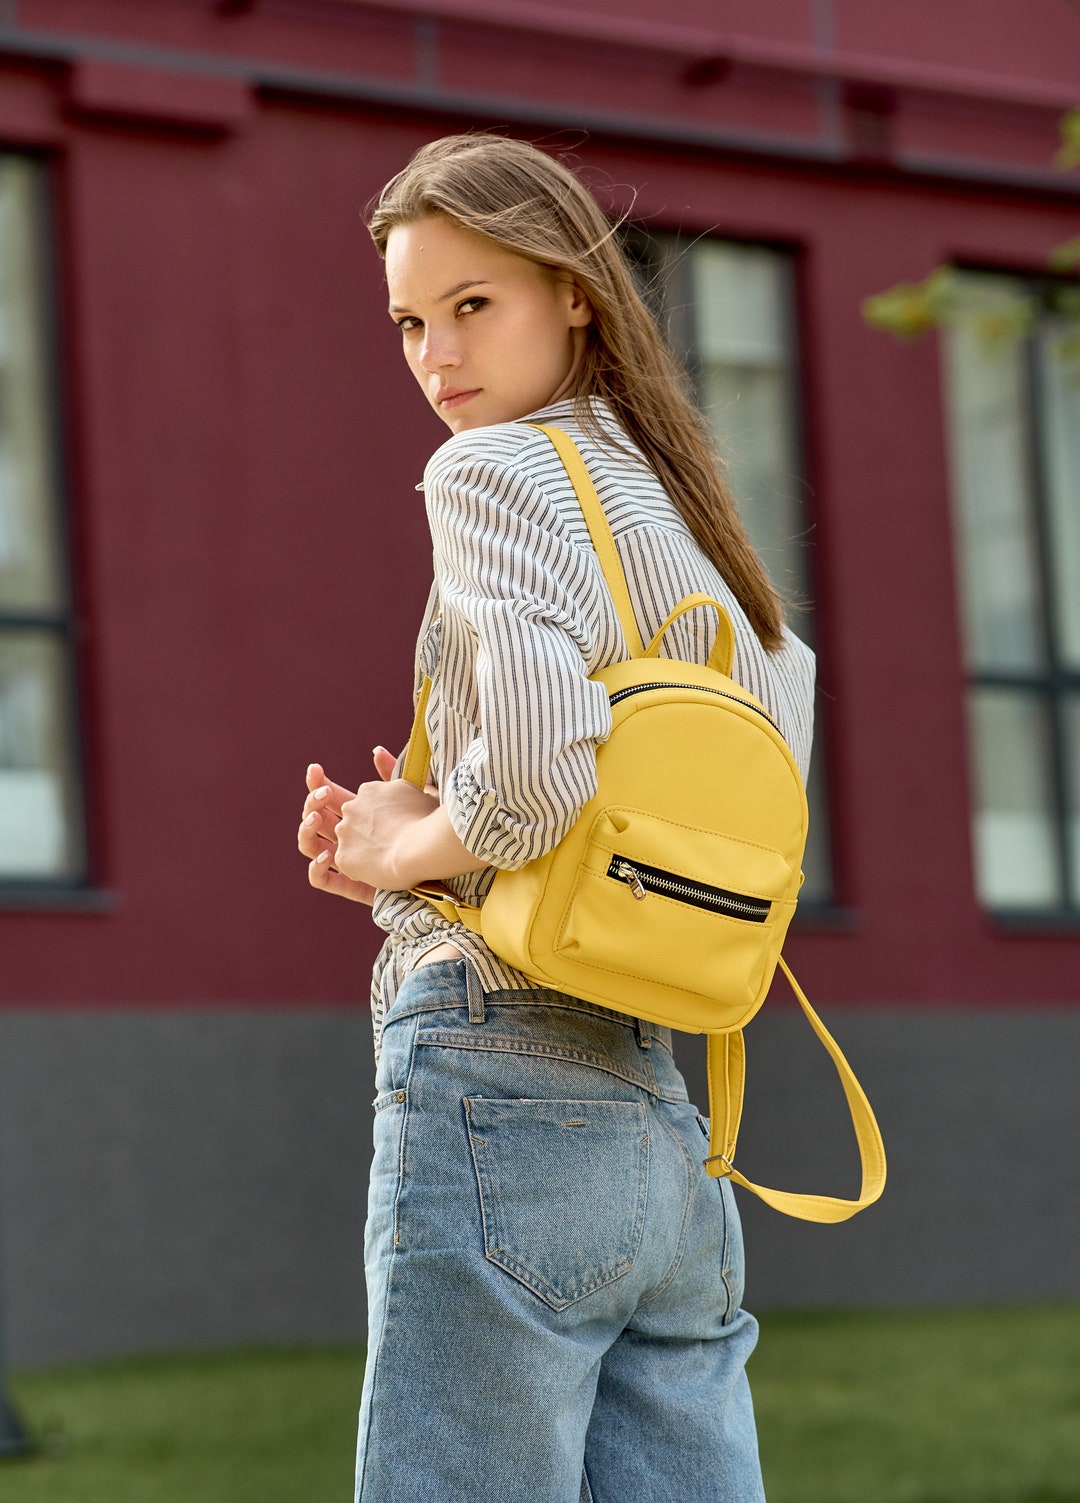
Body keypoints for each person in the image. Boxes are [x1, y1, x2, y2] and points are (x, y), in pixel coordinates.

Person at [296, 133, 815, 1503]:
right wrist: (426, 830)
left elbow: (533, 789)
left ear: (574, 291)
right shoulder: (688, 511)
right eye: (411, 319)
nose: (436, 355)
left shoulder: (491, 475)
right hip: (664, 1101)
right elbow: (748, 794)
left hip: (500, 1073)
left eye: (477, 305)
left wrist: (394, 848)